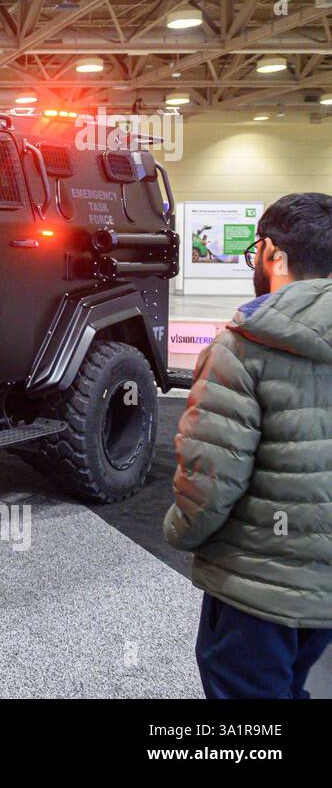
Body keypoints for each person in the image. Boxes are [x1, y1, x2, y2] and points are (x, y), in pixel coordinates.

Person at [165, 191, 332, 699]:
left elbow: (211, 477)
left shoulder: (244, 345)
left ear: (271, 253)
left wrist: (181, 530)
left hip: (254, 587)